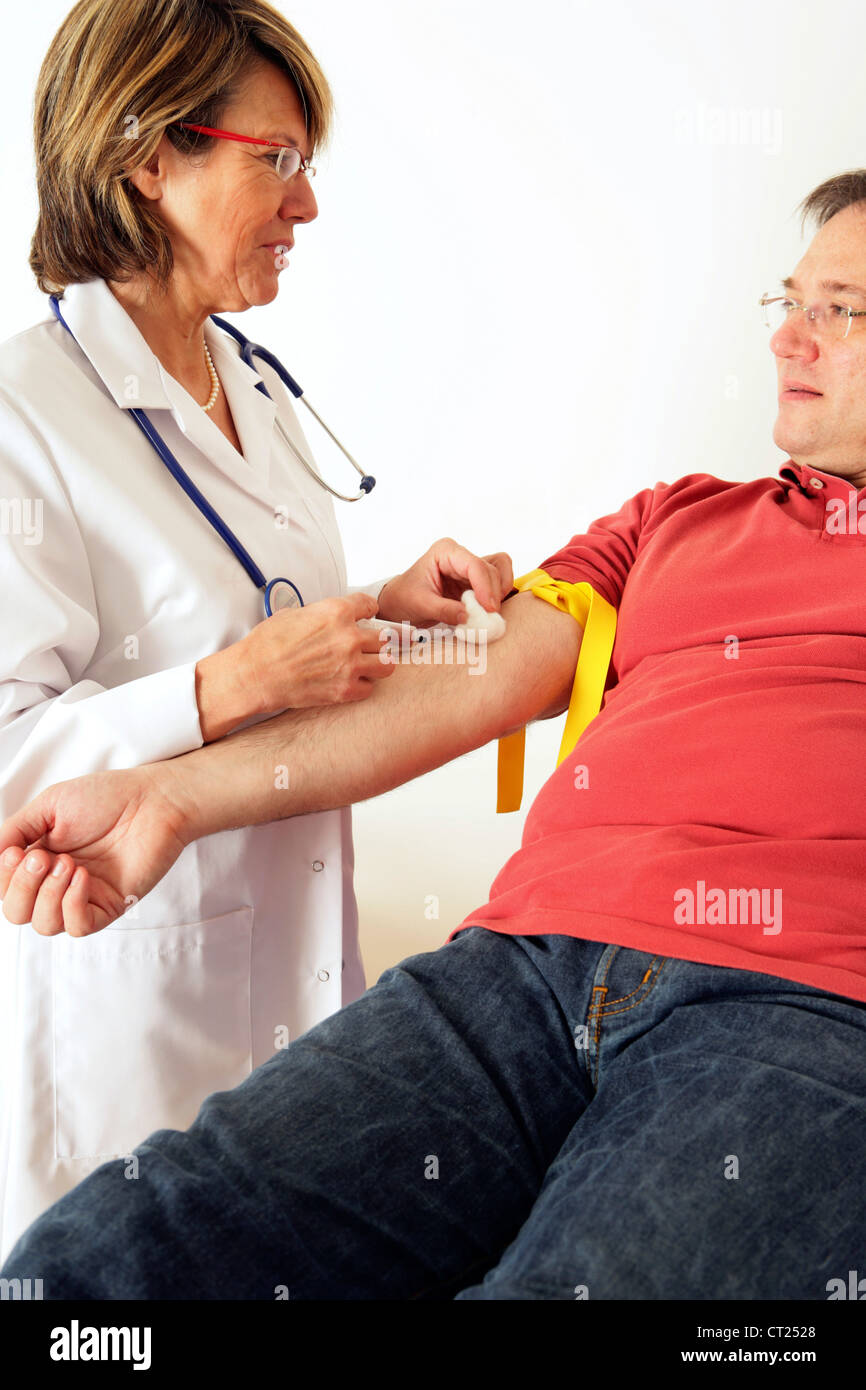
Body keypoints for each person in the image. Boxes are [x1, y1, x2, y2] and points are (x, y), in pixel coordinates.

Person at [3, 169, 866, 1300]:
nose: (784, 340)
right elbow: (468, 676)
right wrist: (170, 797)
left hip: (801, 1007)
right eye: (785, 302)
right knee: (103, 1264)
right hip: (515, 974)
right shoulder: (673, 518)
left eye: (835, 309)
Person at [0, 0, 511, 1261]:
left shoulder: (261, 391)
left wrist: (387, 612)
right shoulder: (27, 413)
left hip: (294, 995)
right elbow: (12, 760)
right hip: (129, 1001)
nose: (306, 205)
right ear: (144, 155)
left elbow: (274, 636)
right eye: (274, 161)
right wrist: (222, 687)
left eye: (307, 166)